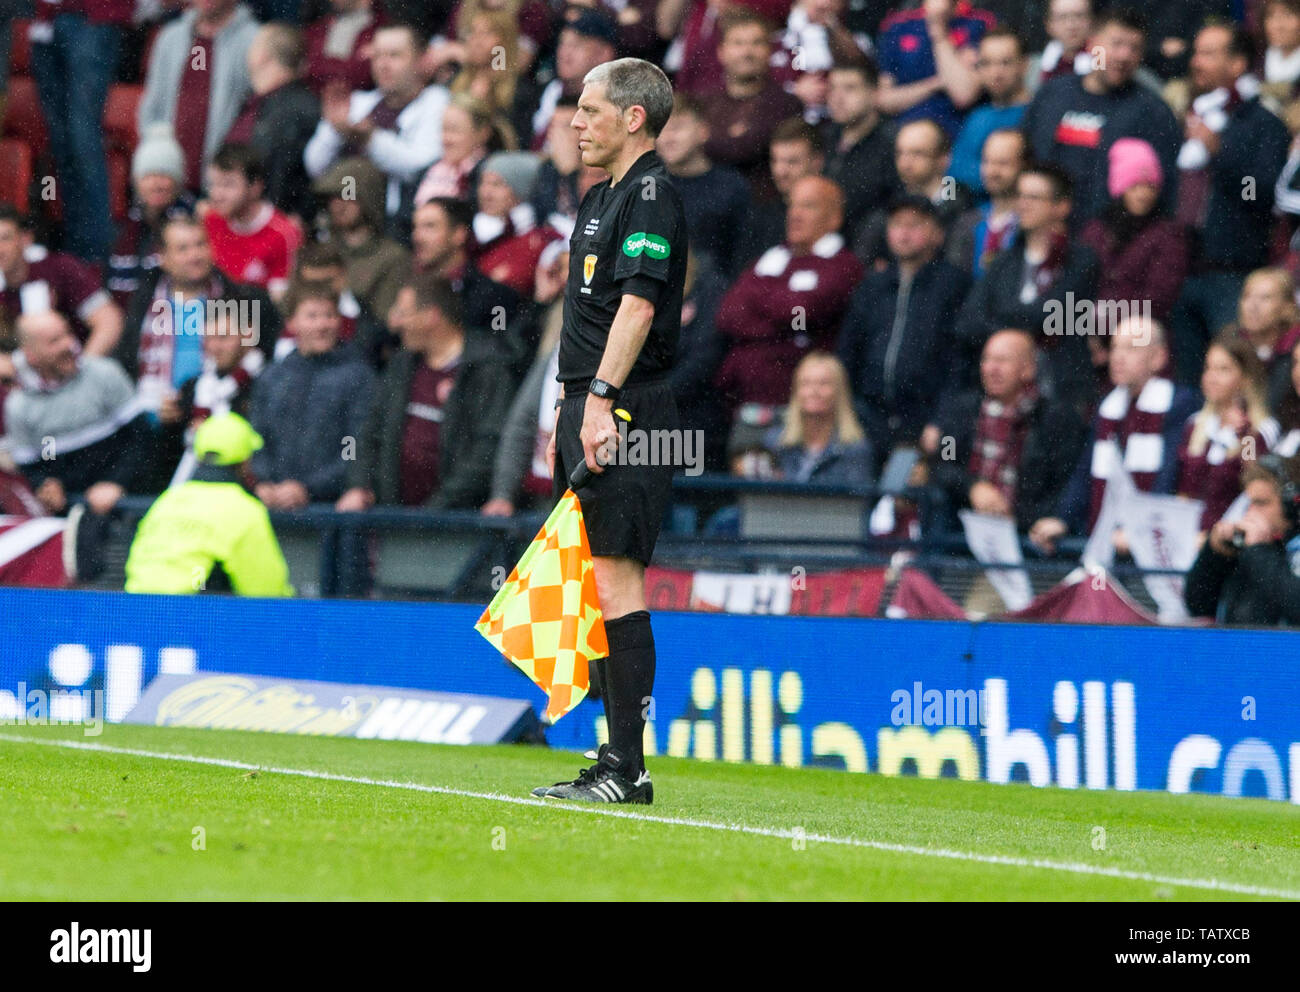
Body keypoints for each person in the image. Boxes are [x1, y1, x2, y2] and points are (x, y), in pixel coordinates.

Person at [535, 57, 687, 805]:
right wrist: (564, 406)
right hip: (585, 403)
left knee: (620, 579)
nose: (575, 122)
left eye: (590, 110)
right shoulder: (602, 196)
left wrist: (598, 399)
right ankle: (614, 758)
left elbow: (639, 308)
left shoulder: (652, 194)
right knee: (597, 583)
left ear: (633, 117)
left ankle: (627, 768)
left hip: (625, 408)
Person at [1169, 22, 1291, 385]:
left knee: (1235, 374)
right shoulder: (1191, 112)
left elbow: (1262, 194)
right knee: (1190, 380)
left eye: (1209, 53)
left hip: (1231, 272)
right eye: (1196, 52)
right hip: (1183, 268)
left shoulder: (1263, 124)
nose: (1196, 62)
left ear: (1238, 64)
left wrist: (1219, 153)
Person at [338, 274, 512, 512]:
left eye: (403, 313)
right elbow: (370, 432)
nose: (395, 324)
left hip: (458, 525)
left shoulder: (485, 367)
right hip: (393, 520)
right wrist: (358, 485)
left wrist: (435, 510)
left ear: (431, 316)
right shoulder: (401, 365)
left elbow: (486, 449)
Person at [1028, 315, 1200, 552]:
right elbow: (1085, 472)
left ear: (1158, 357)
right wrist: (1063, 518)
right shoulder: (1107, 406)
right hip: (1106, 537)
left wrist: (1140, 530)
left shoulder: (1179, 404)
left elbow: (1170, 475)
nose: (1117, 357)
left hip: (1151, 543)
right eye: (1115, 347)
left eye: (1131, 348)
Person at [953, 162, 1099, 416]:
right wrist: (1015, 336)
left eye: (1034, 197)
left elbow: (1052, 315)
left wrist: (1002, 322)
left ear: (1061, 206)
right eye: (1020, 196)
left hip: (1058, 389)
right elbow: (969, 320)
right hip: (999, 391)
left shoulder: (1081, 260)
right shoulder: (1003, 260)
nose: (1023, 204)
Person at [714, 175, 863, 415]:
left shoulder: (843, 265)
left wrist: (756, 298)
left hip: (799, 408)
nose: (795, 214)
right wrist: (782, 325)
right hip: (743, 403)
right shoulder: (770, 257)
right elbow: (727, 315)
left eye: (808, 206)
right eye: (792, 205)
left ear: (834, 217)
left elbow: (803, 311)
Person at [838, 194, 971, 460]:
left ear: (937, 234)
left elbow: (959, 361)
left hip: (924, 418)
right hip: (868, 416)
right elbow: (848, 351)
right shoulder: (872, 285)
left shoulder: (953, 286)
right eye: (897, 224)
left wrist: (940, 421)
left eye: (914, 225)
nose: (904, 233)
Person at [1020, 7, 1181, 224]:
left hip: (1111, 240)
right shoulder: (1052, 93)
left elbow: (1164, 191)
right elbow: (1024, 156)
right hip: (1046, 231)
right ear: (1093, 44)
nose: (1125, 55)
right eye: (1117, 44)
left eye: (1135, 48)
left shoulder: (1154, 112)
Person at [924, 327, 1087, 533]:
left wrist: (1018, 517)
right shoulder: (961, 413)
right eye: (986, 360)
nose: (991, 368)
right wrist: (973, 487)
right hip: (963, 530)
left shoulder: (1056, 419)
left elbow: (1063, 486)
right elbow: (944, 464)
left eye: (1002, 361)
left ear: (1028, 369)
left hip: (1026, 536)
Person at [124, 412, 293, 596]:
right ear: (246, 461)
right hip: (195, 617)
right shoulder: (245, 509)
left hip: (136, 613)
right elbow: (267, 592)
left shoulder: (167, 500)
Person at [303, 23, 451, 228]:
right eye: (378, 55)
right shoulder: (358, 102)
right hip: (340, 224)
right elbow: (314, 166)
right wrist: (334, 130)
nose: (383, 64)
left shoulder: (437, 101)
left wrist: (370, 139)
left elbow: (421, 166)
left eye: (394, 55)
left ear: (421, 61)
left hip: (396, 227)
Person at [247, 282, 375, 509]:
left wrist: (308, 487)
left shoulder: (359, 377)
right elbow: (257, 436)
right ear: (292, 323)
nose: (322, 325)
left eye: (329, 315)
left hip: (329, 507)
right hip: (272, 503)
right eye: (312, 316)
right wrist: (263, 482)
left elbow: (354, 444)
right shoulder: (271, 376)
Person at [28, 0, 129, 263]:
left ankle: (99, 254)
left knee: (83, 138)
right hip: (46, 19)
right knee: (60, 144)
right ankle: (74, 252)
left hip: (91, 17)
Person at [137, 0, 260, 193]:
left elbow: (254, 113)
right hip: (171, 179)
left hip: (223, 182)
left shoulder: (255, 40)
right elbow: (152, 109)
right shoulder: (171, 38)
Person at [0, 206, 125, 376]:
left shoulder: (59, 269)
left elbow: (109, 322)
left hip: (81, 373)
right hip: (31, 388)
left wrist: (81, 373)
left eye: (5, 238)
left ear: (25, 239)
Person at [1177, 331, 1282, 530]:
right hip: (1187, 539)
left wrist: (1243, 435)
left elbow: (1254, 476)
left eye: (1223, 369)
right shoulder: (1195, 425)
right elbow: (1183, 492)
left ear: (1246, 378)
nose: (1211, 377)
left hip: (1229, 539)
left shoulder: (1260, 430)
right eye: (1208, 368)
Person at [697, 8, 804, 199]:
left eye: (757, 43)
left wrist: (708, 141)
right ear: (721, 51)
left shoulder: (786, 105)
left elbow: (745, 149)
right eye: (738, 43)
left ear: (770, 51)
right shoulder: (703, 103)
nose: (747, 52)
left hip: (759, 208)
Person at [1184, 453, 1300, 625]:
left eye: (1261, 503)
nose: (1251, 512)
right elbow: (1197, 605)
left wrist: (1259, 550)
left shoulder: (1259, 550)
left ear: (1291, 504)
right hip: (1240, 648)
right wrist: (1214, 554)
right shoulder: (1251, 548)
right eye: (1249, 504)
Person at [226, 23, 321, 224]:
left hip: (270, 228)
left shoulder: (297, 109)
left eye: (254, 46)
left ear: (263, 56)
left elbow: (286, 177)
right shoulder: (255, 103)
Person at [655, 92, 751, 278]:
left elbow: (742, 256)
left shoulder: (731, 186)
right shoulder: (646, 185)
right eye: (661, 129)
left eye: (677, 127)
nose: (668, 137)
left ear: (703, 132)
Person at [311, 156, 411, 328]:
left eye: (348, 196)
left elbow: (383, 325)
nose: (339, 205)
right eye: (334, 197)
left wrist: (345, 292)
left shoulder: (393, 258)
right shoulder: (320, 253)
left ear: (368, 198)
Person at [107, 126, 198, 313]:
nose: (156, 184)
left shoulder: (195, 221)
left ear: (178, 181)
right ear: (136, 181)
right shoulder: (126, 226)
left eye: (164, 175)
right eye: (148, 176)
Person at [202, 142, 304, 302]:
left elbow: (281, 303)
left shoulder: (283, 234)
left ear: (255, 187)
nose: (217, 194)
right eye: (212, 184)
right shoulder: (210, 220)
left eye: (228, 185)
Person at [875, 0, 990, 135]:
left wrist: (938, 29)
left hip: (956, 128)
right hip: (904, 130)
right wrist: (936, 84)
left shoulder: (980, 23)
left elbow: (963, 94)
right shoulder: (898, 25)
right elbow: (884, 101)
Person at [821, 60, 901, 254]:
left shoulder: (894, 144)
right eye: (832, 89)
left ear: (874, 94)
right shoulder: (821, 139)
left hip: (867, 251)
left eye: (850, 88)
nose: (837, 98)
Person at [768, 351, 873, 484]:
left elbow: (858, 502)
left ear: (839, 392)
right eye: (806, 383)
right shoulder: (776, 442)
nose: (814, 391)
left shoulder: (855, 449)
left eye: (824, 383)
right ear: (796, 391)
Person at [949, 27, 1030, 197]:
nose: (996, 73)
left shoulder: (1037, 114)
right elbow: (953, 171)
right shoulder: (977, 116)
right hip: (973, 217)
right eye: (987, 63)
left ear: (1024, 65)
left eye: (1005, 63)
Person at [946, 127, 1024, 278]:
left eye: (1003, 163)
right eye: (987, 161)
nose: (992, 171)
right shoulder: (967, 223)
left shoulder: (1030, 223)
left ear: (1025, 165)